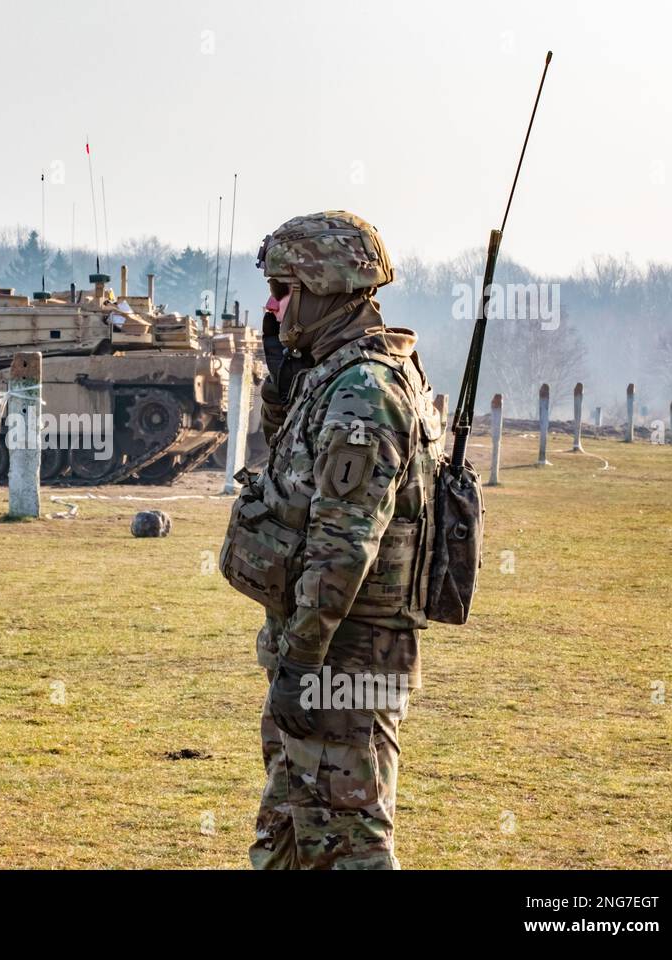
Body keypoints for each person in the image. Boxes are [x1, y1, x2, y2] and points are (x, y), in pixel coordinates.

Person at [244, 211, 445, 869]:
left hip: (341, 665)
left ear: (323, 287)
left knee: (346, 849)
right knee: (288, 844)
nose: (272, 306)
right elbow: (294, 465)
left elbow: (344, 542)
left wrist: (302, 665)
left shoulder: (364, 389)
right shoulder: (330, 373)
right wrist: (281, 383)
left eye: (282, 288)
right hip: (321, 654)